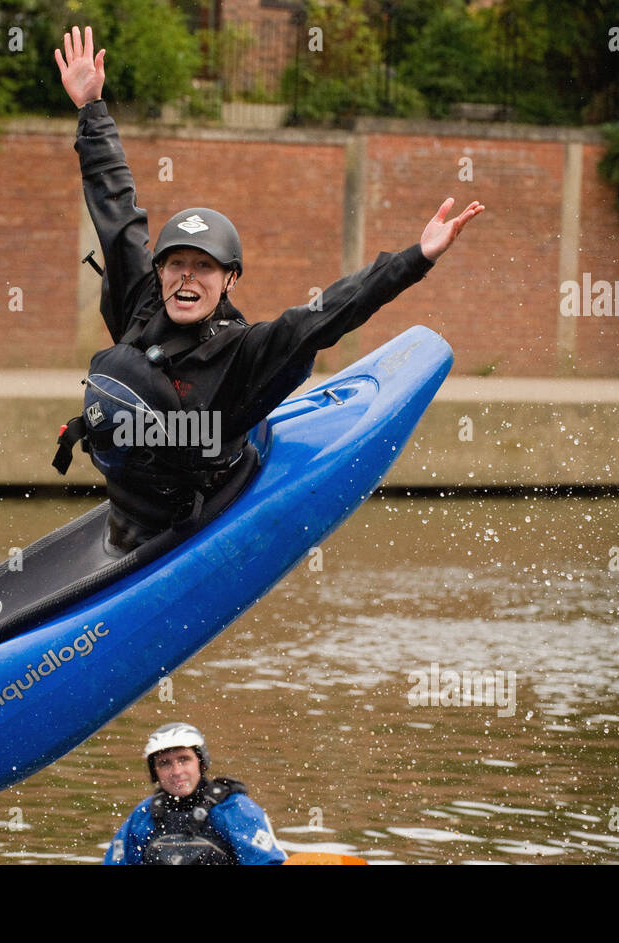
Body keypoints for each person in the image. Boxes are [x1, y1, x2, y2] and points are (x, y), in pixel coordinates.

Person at [52, 27, 483, 553]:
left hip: (186, 523)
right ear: (160, 270)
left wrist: (417, 258)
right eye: (177, 264)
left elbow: (329, 313)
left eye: (204, 267)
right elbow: (116, 206)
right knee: (119, 374)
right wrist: (92, 107)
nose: (187, 276)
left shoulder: (244, 353)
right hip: (124, 515)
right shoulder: (140, 301)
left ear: (229, 278)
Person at [104, 722, 287, 865]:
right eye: (165, 763)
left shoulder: (234, 809)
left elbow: (268, 861)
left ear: (201, 763)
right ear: (155, 773)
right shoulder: (143, 815)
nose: (176, 772)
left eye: (184, 760)